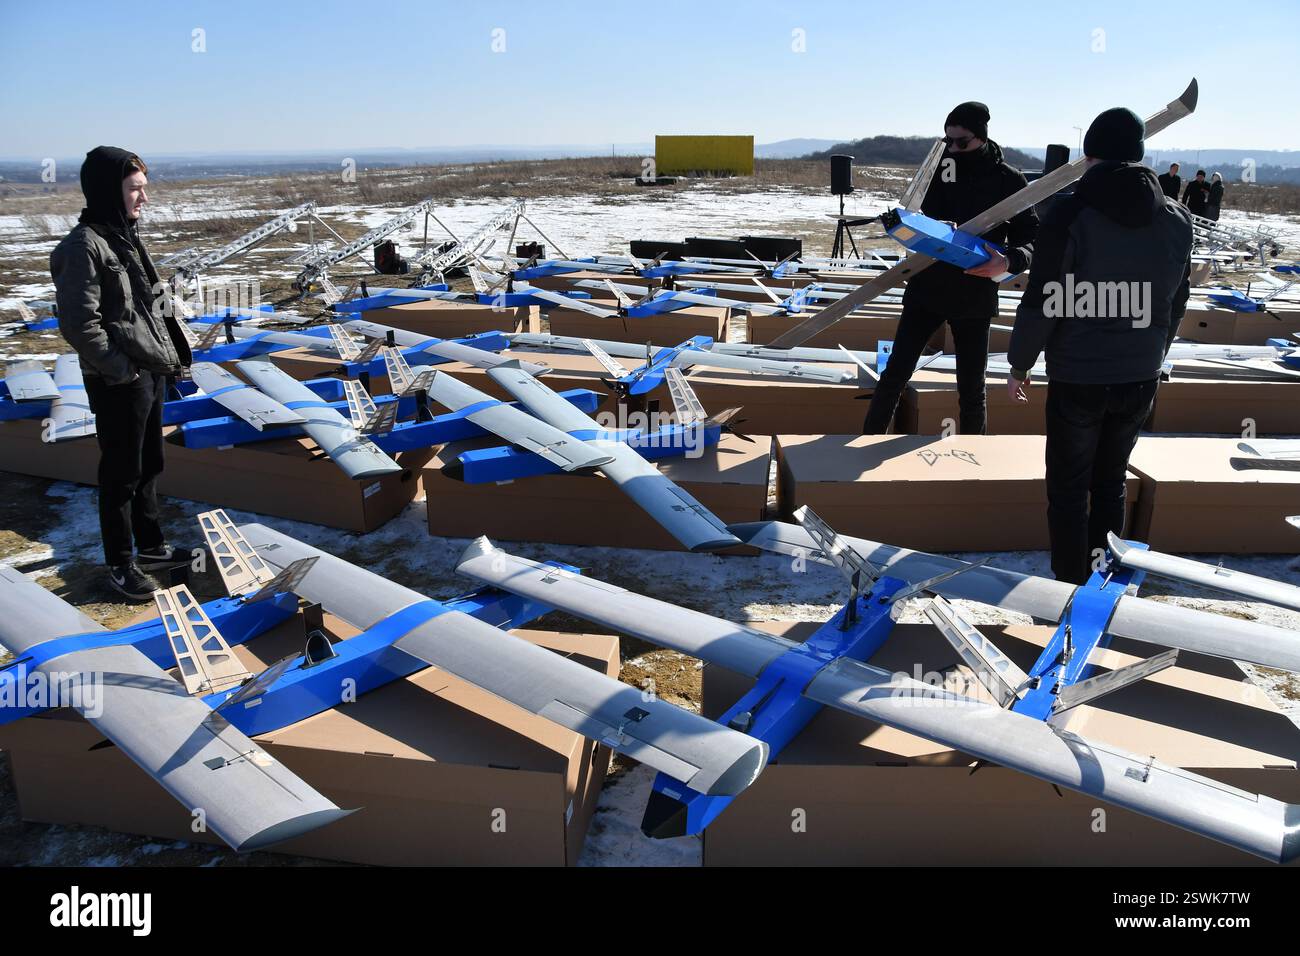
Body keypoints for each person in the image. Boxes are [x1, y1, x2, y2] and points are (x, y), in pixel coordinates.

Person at [1005, 108, 1192, 584]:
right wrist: (1155, 350)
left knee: (1069, 488)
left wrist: (1020, 363)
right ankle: (1101, 580)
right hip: (1140, 375)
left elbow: (1045, 296)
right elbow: (1176, 298)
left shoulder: (1069, 212)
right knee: (1110, 482)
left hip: (1080, 376)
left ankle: (1068, 588)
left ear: (1090, 156)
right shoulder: (1176, 217)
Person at [51, 147, 194, 600]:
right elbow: (79, 323)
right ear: (109, 190)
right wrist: (122, 371)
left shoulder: (125, 237)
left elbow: (146, 308)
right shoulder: (83, 246)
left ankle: (152, 549)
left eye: (144, 189)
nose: (143, 199)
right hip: (118, 381)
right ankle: (120, 565)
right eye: (135, 189)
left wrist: (164, 358)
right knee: (120, 475)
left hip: (146, 372)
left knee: (150, 465)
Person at [861, 101, 1036, 435]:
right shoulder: (938, 168)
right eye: (947, 141)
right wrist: (905, 225)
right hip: (927, 286)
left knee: (971, 389)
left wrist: (1010, 260)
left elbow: (1031, 238)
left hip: (974, 292)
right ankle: (864, 445)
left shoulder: (1008, 179)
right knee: (895, 374)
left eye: (962, 141)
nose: (953, 148)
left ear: (982, 137)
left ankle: (971, 461)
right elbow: (914, 213)